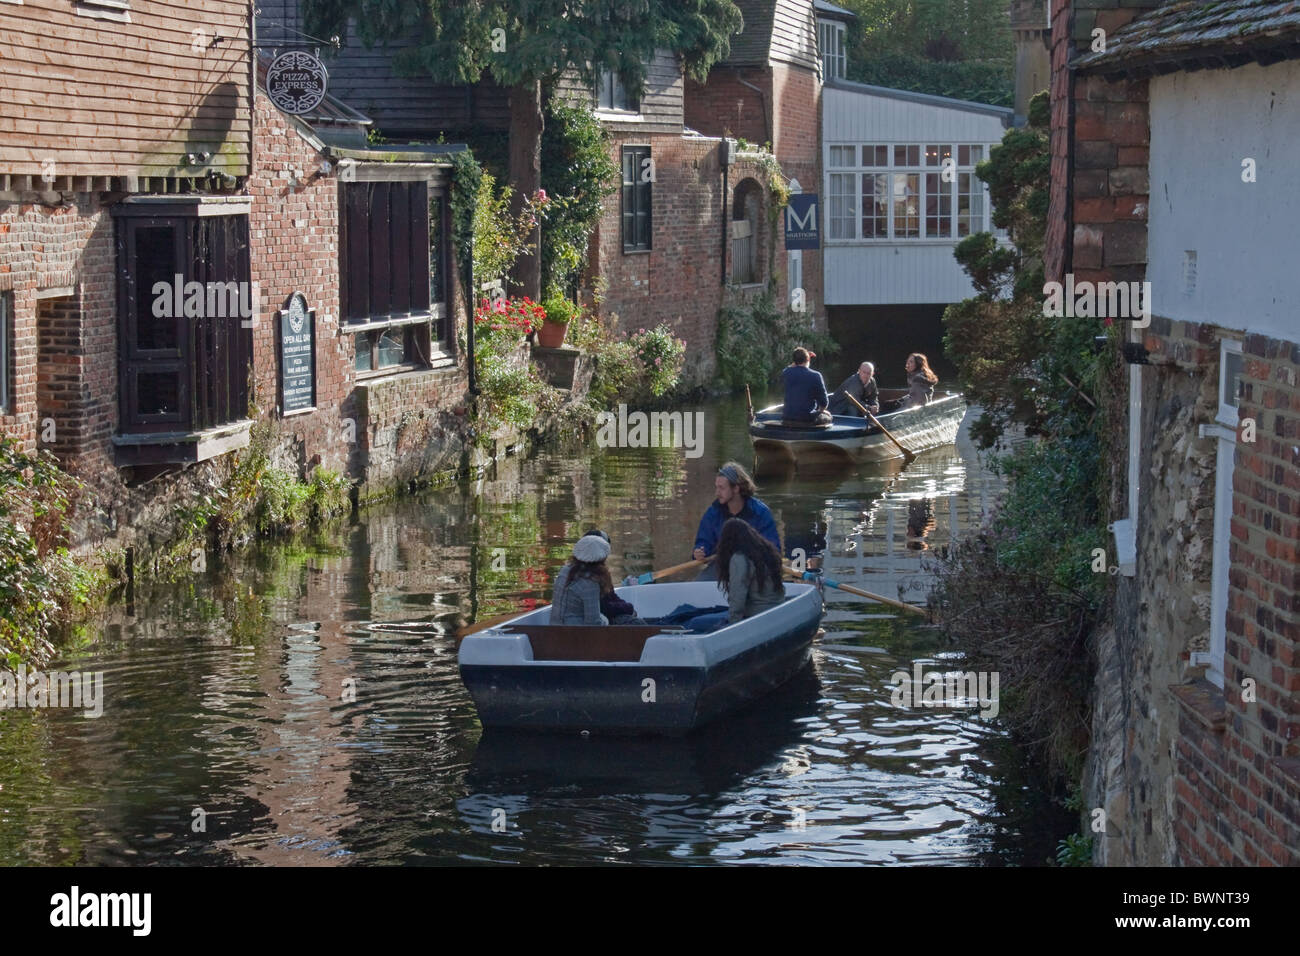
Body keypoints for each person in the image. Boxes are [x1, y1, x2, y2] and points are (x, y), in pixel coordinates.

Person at [685, 519, 787, 632]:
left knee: (695, 622)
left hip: (757, 614)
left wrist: (733, 626)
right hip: (776, 608)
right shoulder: (767, 551)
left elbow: (738, 596)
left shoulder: (740, 558)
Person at [692, 462, 781, 572]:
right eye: (716, 487)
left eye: (722, 488)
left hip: (754, 568)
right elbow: (704, 541)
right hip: (721, 567)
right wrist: (700, 551)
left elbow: (773, 549)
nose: (717, 493)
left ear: (736, 489)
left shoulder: (761, 513)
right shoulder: (713, 513)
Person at [556, 529, 646, 624]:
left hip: (558, 627)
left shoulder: (565, 570)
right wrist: (629, 609)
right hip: (575, 632)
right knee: (638, 623)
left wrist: (627, 608)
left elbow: (610, 597)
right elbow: (594, 622)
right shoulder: (590, 581)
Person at [550, 533, 614, 625]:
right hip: (575, 634)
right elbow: (593, 624)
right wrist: (606, 622)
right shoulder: (590, 583)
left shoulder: (565, 570)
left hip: (553, 629)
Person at [779, 347, 831, 424]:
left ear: (794, 361)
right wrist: (821, 411)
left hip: (787, 417)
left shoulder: (786, 373)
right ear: (808, 360)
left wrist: (799, 360)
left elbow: (788, 368)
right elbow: (824, 403)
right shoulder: (816, 375)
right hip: (807, 419)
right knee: (828, 416)